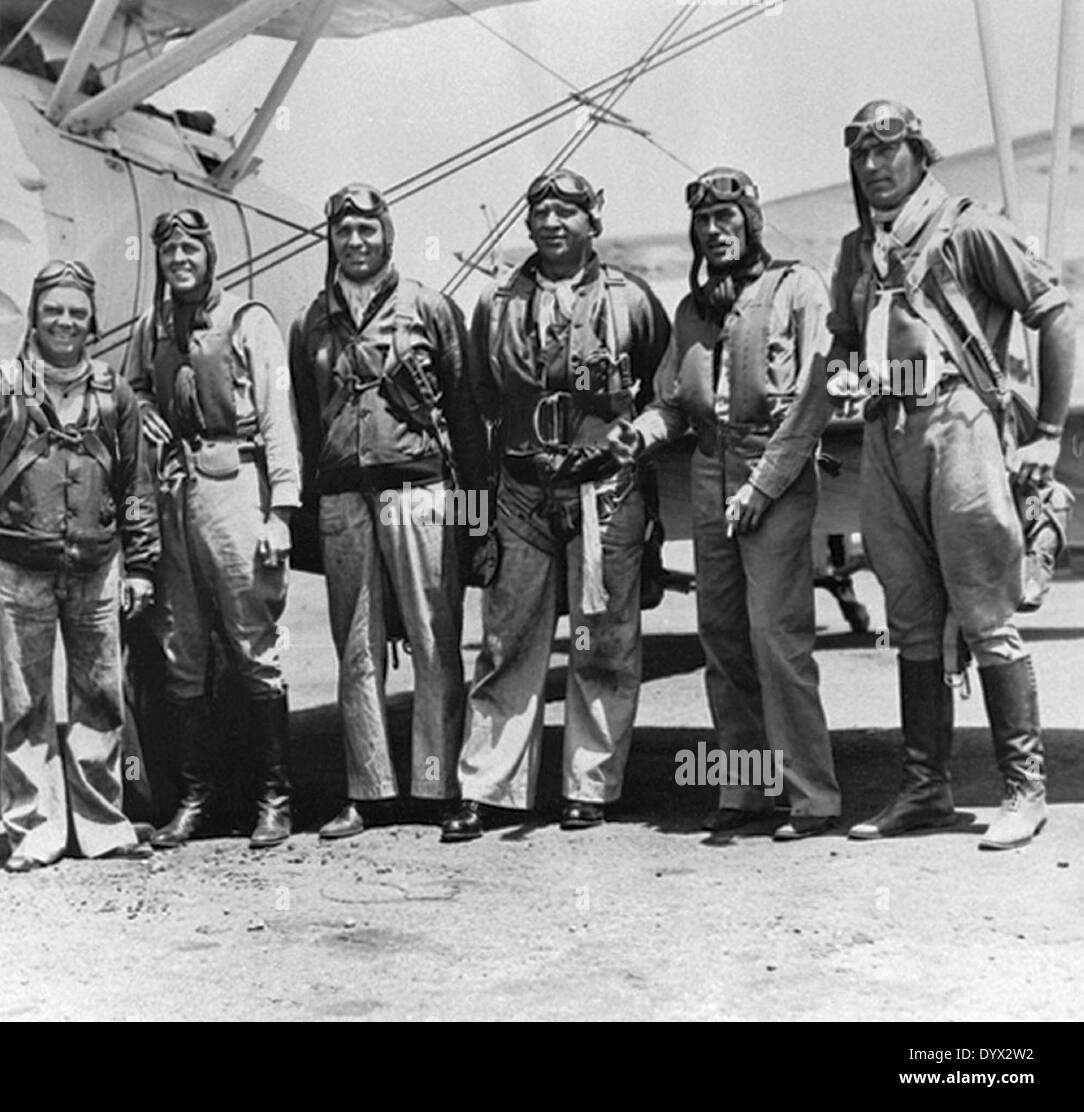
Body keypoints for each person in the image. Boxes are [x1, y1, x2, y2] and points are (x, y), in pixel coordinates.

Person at [827, 101, 1076, 849]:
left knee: (986, 614)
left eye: (890, 151)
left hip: (958, 424)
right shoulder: (853, 250)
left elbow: (1054, 311)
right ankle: (924, 789)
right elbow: (844, 340)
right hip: (885, 432)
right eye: (863, 156)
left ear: (920, 154)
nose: (875, 166)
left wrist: (1052, 435)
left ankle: (1023, 789)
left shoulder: (969, 228)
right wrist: (845, 376)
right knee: (910, 618)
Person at [442, 169, 670, 842]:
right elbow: (475, 416)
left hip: (605, 493)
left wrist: (626, 445)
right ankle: (488, 787)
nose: (550, 222)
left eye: (566, 210)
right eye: (539, 210)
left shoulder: (632, 301)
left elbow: (663, 398)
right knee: (505, 643)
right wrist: (476, 527)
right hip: (519, 492)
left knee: (603, 643)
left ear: (592, 221)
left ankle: (588, 785)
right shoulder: (498, 303)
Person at [629, 168, 842, 840]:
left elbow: (814, 397)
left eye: (727, 219)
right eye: (704, 223)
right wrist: (629, 438)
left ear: (751, 221)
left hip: (771, 471)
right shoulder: (693, 311)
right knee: (722, 639)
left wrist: (763, 484)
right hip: (709, 468)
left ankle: (813, 797)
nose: (716, 232)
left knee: (776, 637)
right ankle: (746, 789)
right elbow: (670, 403)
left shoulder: (797, 287)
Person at [289, 183, 488, 840]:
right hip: (345, 499)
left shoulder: (429, 308)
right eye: (344, 232)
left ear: (387, 235)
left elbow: (465, 420)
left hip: (420, 491)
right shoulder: (311, 323)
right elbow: (309, 428)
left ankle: (439, 784)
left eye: (368, 231)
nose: (356, 242)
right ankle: (368, 792)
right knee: (356, 648)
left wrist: (479, 522)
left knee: (434, 640)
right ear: (332, 241)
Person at [0, 259, 160, 873]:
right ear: (35, 317)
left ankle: (101, 825)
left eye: (76, 312)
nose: (65, 322)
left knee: (99, 698)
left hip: (97, 567)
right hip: (16, 570)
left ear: (91, 319)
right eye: (53, 311)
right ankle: (35, 829)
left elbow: (134, 487)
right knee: (25, 705)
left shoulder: (115, 393)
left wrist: (142, 564)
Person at [125, 208, 301, 850]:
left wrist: (281, 511)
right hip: (175, 492)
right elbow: (135, 388)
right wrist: (143, 408)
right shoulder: (152, 327)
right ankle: (197, 799)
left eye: (190, 249)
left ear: (210, 255)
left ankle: (275, 799)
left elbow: (279, 417)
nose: (179, 260)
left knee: (255, 644)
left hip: (238, 483)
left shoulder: (249, 321)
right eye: (169, 251)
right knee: (183, 650)